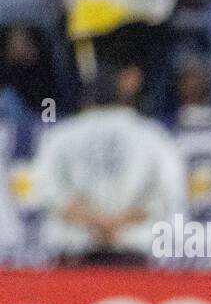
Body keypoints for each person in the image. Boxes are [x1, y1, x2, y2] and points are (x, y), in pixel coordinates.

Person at [31, 62, 185, 265]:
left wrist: (93, 221)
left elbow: (47, 191)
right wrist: (117, 223)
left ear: (85, 98)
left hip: (74, 254)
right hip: (131, 252)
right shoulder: (153, 135)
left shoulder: (60, 135)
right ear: (124, 97)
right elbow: (167, 194)